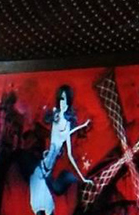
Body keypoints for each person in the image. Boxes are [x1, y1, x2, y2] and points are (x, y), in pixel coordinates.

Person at [29, 86, 92, 215]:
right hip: (40, 173)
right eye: (61, 99)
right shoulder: (55, 118)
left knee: (48, 208)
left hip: (45, 176)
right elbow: (54, 133)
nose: (63, 102)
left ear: (69, 101)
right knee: (43, 208)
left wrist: (83, 179)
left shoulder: (67, 125)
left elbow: (69, 154)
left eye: (65, 99)